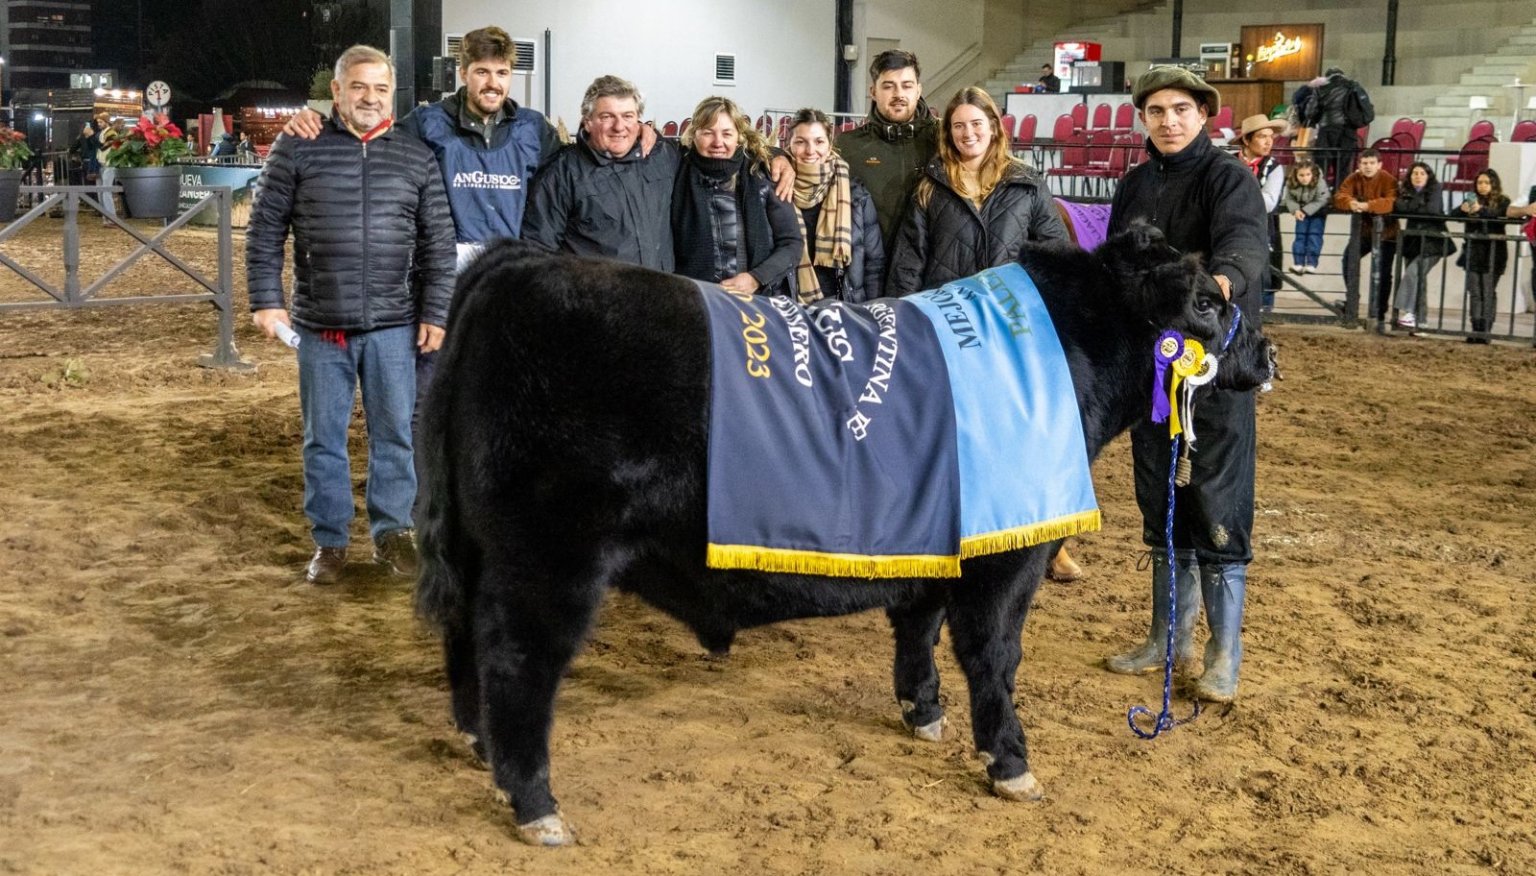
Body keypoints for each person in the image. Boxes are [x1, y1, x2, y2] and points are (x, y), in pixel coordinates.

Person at [245, 45, 456, 586]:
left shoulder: (415, 157)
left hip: (394, 326)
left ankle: (392, 534)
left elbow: (438, 244)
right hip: (322, 327)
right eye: (358, 86)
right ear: (336, 91)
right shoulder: (298, 147)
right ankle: (331, 541)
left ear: (392, 94)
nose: (369, 97)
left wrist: (435, 311)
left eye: (380, 88)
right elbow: (265, 229)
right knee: (323, 438)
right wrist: (267, 302)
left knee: (395, 436)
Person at [1103, 66, 1269, 704]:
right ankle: (1166, 639)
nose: (1167, 121)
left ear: (1204, 114)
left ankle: (1224, 652)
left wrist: (1215, 287)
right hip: (1152, 373)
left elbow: (1244, 249)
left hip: (1216, 373)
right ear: (1143, 118)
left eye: (1179, 109)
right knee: (1160, 500)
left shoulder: (1229, 179)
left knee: (1217, 506)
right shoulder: (1135, 184)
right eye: (1155, 111)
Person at [523, 76, 795, 271]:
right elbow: (536, 253)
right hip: (596, 310)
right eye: (607, 117)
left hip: (660, 305)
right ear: (587, 121)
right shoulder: (561, 174)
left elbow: (720, 155)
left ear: (639, 119)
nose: (620, 126)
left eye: (628, 116)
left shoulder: (662, 156)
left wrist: (778, 156)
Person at [887, 86, 1067, 296]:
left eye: (976, 123)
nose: (968, 133)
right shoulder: (929, 186)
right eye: (958, 126)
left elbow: (1057, 256)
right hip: (948, 314)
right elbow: (908, 265)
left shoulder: (1028, 183)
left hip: (1009, 314)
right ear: (949, 132)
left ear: (993, 127)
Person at [672, 96, 801, 297]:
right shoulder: (675, 169)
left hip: (755, 301)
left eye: (727, 133)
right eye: (708, 133)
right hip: (693, 300)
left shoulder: (764, 173)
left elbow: (792, 243)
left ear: (739, 137)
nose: (718, 142)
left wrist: (756, 278)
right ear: (693, 134)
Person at [837, 49, 940, 253]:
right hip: (872, 271)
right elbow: (807, 170)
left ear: (918, 90)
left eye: (907, 86)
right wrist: (782, 160)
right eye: (888, 86)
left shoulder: (943, 139)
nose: (899, 94)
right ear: (873, 92)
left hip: (932, 269)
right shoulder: (847, 146)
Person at [783, 108, 884, 303]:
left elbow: (874, 263)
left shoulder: (855, 193)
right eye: (800, 142)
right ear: (788, 145)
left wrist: (871, 310)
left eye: (819, 141)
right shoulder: (776, 188)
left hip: (844, 307)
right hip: (791, 310)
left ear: (830, 145)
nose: (810, 151)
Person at [1332, 148, 1398, 328]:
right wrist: (1351, 203)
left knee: (1384, 274)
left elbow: (1391, 202)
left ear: (1379, 165)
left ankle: (1380, 313)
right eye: (1364, 163)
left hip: (1387, 233)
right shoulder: (1354, 178)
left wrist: (1367, 205)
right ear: (1359, 165)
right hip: (1363, 232)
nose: (1367, 167)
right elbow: (1339, 196)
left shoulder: (1388, 180)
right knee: (1348, 261)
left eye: (1371, 163)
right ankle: (1352, 300)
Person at [1392, 162, 1454, 332]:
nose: (1417, 176)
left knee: (1413, 273)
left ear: (1428, 176)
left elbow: (1432, 210)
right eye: (1414, 173)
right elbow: (1399, 207)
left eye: (1421, 173)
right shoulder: (1405, 191)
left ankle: (1409, 312)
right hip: (1413, 242)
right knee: (1419, 280)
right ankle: (1421, 321)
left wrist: (1412, 204)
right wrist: (1417, 205)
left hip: (1433, 242)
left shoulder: (1435, 189)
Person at [1234, 114, 1286, 311]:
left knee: (1263, 278)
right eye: (1262, 136)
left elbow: (1269, 202)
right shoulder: (1229, 162)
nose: (1268, 142)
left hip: (1261, 230)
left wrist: (1233, 199)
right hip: (1231, 231)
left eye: (1270, 137)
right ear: (1247, 140)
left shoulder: (1274, 167)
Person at [1456, 169, 1510, 344]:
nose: (1483, 186)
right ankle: (1476, 327)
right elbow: (1453, 215)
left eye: (1486, 183)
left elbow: (1499, 214)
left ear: (1493, 184)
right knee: (1475, 292)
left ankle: (1486, 329)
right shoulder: (1470, 199)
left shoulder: (1503, 201)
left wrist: (1481, 210)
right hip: (1473, 251)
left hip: (1494, 253)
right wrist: (1462, 210)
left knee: (1487, 291)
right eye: (1480, 183)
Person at [1306, 67, 1373, 188]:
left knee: (1322, 170)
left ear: (1326, 77)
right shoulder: (1353, 86)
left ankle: (1322, 199)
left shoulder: (1320, 88)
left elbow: (1310, 112)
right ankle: (1341, 198)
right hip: (1347, 133)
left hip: (1325, 133)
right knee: (1343, 170)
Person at [1283, 160, 1329, 274]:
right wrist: (1296, 210)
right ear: (1296, 174)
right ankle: (1298, 263)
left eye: (1308, 175)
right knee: (1300, 236)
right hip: (1301, 214)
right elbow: (1288, 198)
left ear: (1313, 174)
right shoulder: (1291, 183)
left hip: (1317, 213)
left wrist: (1305, 210)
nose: (1305, 178)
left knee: (1314, 237)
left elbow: (1322, 199)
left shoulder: (1319, 182)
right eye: (1301, 175)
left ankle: (1311, 263)